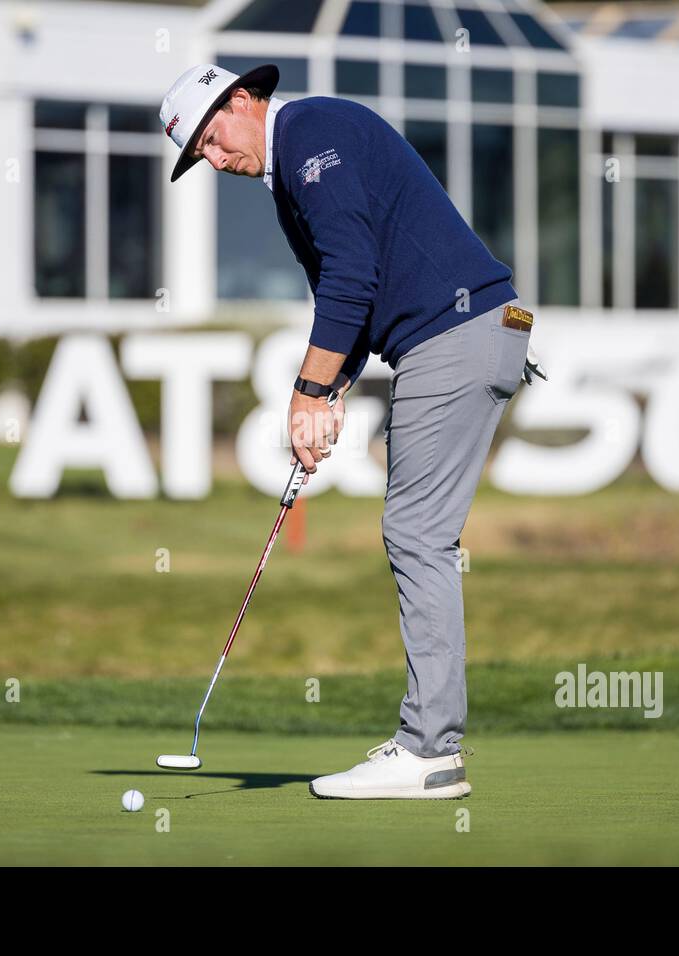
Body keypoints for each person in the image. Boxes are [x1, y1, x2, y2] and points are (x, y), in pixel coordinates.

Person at [160, 63, 536, 799]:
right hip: (468, 333)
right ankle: (432, 746)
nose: (213, 158)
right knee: (422, 534)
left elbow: (351, 276)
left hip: (452, 334)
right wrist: (328, 389)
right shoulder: (297, 160)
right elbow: (356, 302)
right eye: (197, 154)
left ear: (243, 100)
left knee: (416, 536)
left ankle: (428, 751)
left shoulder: (309, 136)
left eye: (210, 137)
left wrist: (306, 392)